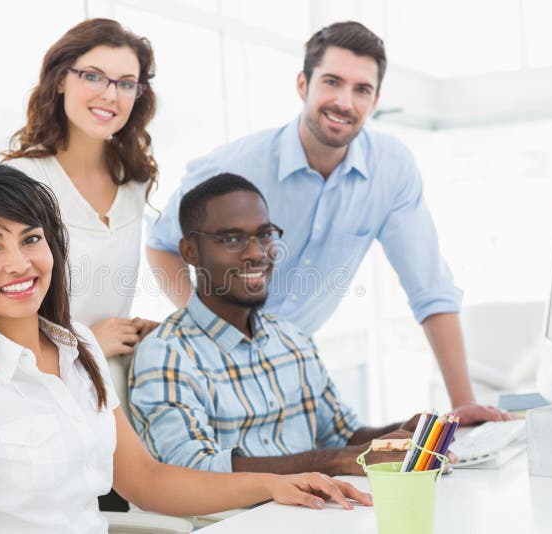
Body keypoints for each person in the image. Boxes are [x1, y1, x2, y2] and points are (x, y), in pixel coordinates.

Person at [0, 165, 371, 534]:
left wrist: (273, 485)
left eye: (31, 239)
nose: (19, 263)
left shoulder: (78, 348)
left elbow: (146, 481)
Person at [144, 21, 510, 425]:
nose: (344, 102)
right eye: (332, 82)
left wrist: (463, 401)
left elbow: (429, 289)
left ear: (375, 100)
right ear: (303, 85)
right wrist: (210, 329)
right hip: (216, 368)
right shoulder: (236, 166)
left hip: (296, 366)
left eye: (361, 89)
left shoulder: (391, 170)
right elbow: (162, 244)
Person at [130, 174, 418, 475]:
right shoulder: (167, 354)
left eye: (264, 235)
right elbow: (192, 470)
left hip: (322, 503)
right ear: (190, 251)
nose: (256, 253)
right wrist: (334, 461)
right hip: (245, 510)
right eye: (232, 239)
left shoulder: (292, 339)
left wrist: (407, 432)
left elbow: (342, 435)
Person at [2, 18, 159, 359]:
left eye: (126, 84)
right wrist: (83, 341)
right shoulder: (21, 181)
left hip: (108, 372)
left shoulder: (135, 180)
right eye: (93, 76)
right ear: (60, 79)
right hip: (45, 373)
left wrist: (133, 330)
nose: (110, 95)